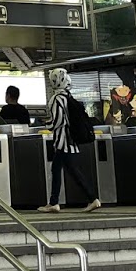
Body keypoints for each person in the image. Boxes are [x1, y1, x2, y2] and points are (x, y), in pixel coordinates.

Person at [37, 68, 100, 214]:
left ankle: (57, 202)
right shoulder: (68, 96)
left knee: (62, 170)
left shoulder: (56, 99)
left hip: (62, 142)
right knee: (67, 170)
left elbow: (58, 121)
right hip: (71, 141)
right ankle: (88, 199)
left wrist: (46, 125)